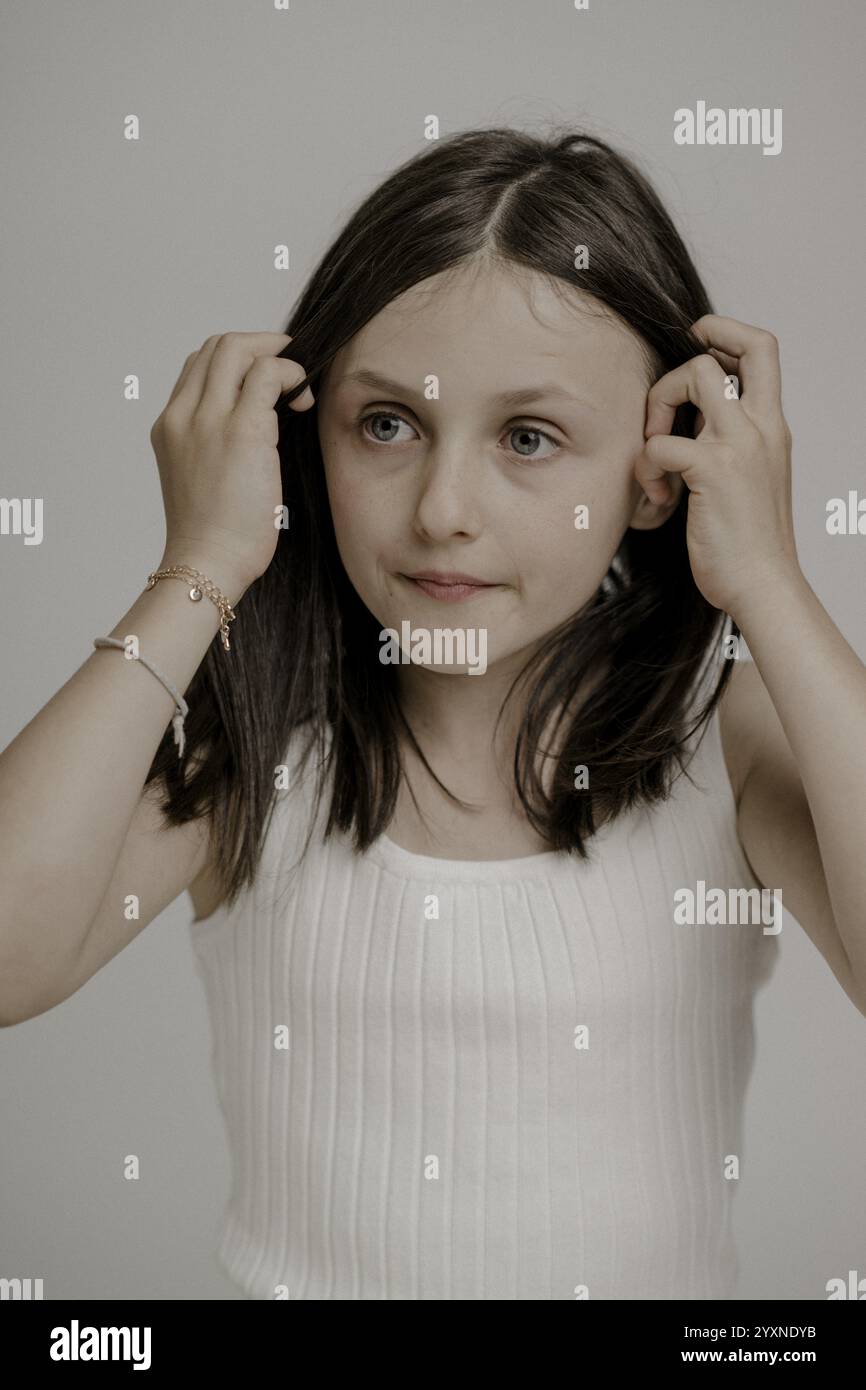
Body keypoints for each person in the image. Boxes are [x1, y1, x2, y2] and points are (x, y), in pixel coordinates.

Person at [1, 128, 864, 1301]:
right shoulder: (252, 736)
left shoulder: (727, 738)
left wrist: (770, 580)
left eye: (527, 437)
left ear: (661, 472)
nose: (443, 509)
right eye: (388, 423)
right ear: (304, 442)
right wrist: (198, 564)